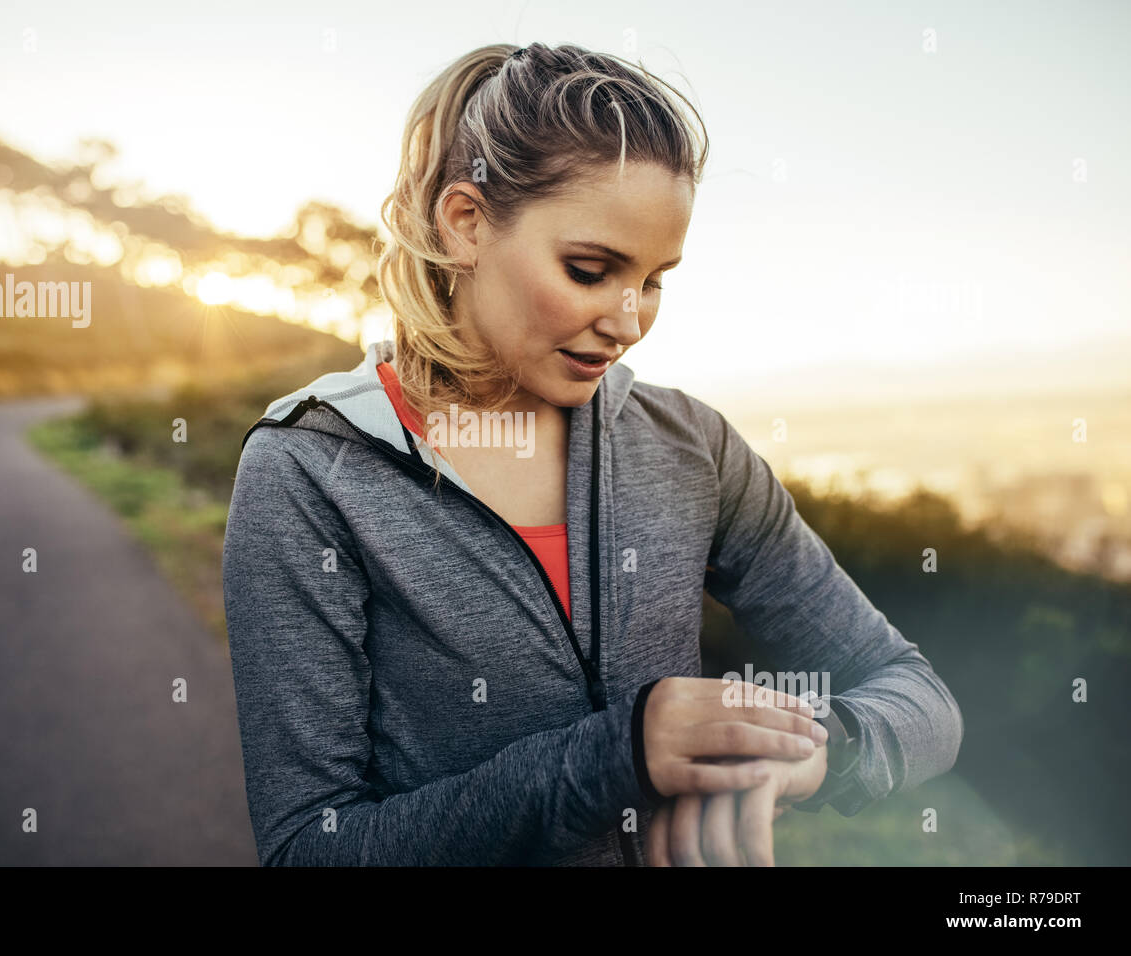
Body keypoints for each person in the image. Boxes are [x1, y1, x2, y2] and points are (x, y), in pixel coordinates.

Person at [222, 41, 963, 866]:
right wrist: (617, 758)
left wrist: (806, 750)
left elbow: (917, 696)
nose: (629, 319)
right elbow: (307, 848)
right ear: (464, 223)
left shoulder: (693, 447)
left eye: (652, 279)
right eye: (589, 269)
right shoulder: (307, 473)